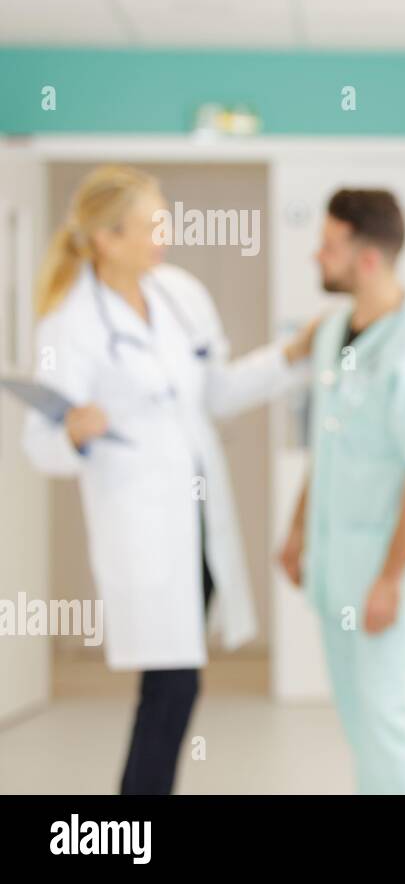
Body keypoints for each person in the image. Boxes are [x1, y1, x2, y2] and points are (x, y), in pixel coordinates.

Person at [21, 164, 317, 794]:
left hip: (200, 519)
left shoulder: (179, 293)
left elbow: (217, 391)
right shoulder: (68, 324)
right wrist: (71, 431)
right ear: (107, 237)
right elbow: (39, 445)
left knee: (173, 686)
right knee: (173, 684)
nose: (167, 232)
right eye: (152, 222)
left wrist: (289, 359)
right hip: (142, 526)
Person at [277, 189, 405, 795]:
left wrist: (390, 577)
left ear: (366, 259)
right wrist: (298, 527)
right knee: (360, 724)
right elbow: (330, 443)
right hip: (337, 568)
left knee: (389, 726)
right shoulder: (333, 331)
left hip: (389, 578)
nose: (317, 256)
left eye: (328, 246)